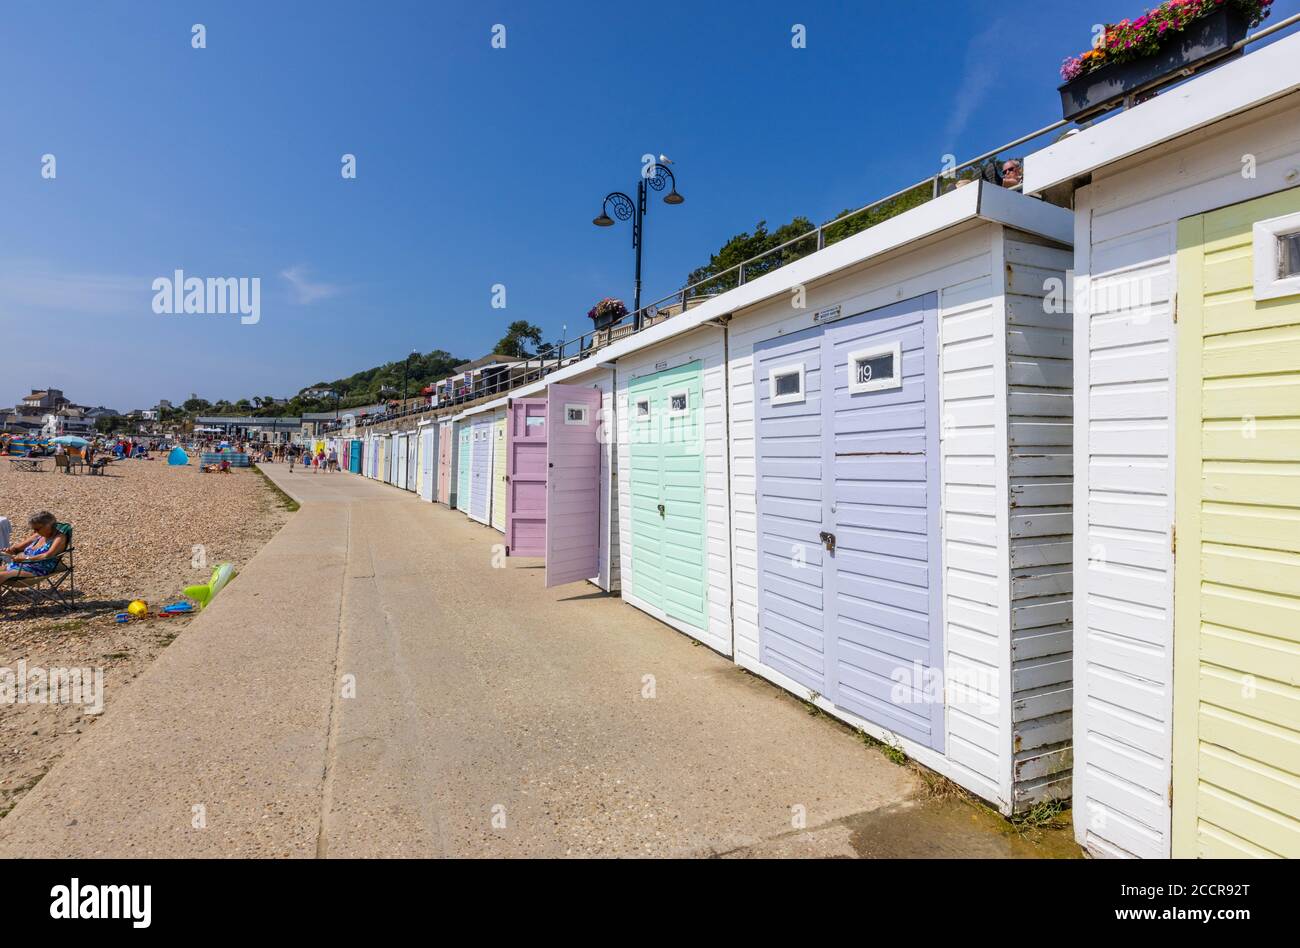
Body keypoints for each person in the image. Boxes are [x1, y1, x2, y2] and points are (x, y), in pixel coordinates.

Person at [1, 511, 67, 584]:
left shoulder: (59, 538)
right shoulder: (38, 535)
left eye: (37, 529)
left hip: (38, 570)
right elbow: (17, 548)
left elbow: (48, 555)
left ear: (48, 525)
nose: (35, 531)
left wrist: (25, 558)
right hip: (19, 565)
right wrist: (10, 551)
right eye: (33, 529)